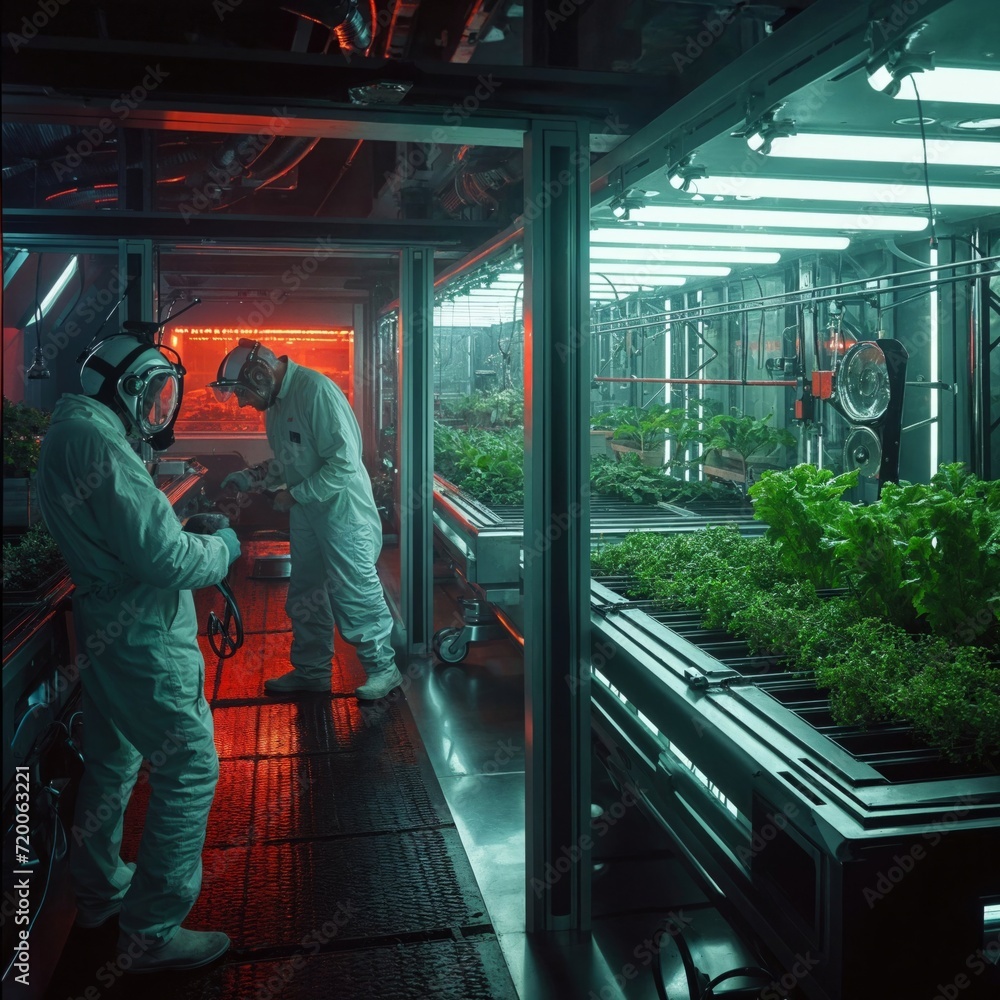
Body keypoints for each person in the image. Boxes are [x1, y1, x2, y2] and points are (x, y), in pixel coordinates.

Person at [35, 333, 241, 973]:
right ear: (123, 389)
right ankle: (151, 933)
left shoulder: (73, 431)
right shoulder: (98, 443)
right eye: (153, 395)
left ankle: (99, 895)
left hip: (107, 624)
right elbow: (165, 560)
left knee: (113, 757)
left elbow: (131, 532)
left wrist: (176, 531)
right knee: (190, 767)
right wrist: (222, 548)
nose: (158, 409)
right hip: (141, 631)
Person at [210, 338, 402, 700]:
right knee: (306, 593)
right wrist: (253, 476)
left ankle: (383, 669)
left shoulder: (316, 392)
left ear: (260, 376)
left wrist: (295, 495)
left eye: (242, 393)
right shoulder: (276, 404)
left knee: (355, 591)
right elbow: (291, 460)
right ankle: (312, 671)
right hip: (309, 513)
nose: (241, 403)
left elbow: (344, 463)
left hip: (342, 514)